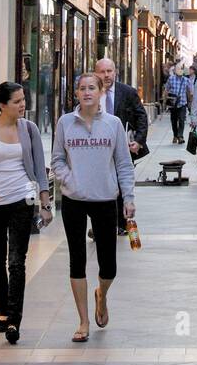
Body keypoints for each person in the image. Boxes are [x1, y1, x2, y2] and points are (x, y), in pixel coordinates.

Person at [50, 72, 135, 342]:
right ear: (76, 93)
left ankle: (102, 294)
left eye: (91, 88)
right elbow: (57, 160)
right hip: (74, 200)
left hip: (105, 199)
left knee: (108, 265)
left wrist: (129, 197)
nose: (86, 92)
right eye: (82, 88)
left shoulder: (113, 124)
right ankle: (83, 321)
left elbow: (123, 163)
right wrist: (69, 180)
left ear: (101, 92)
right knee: (77, 260)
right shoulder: (65, 123)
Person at [0, 81, 53, 345]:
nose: (23, 105)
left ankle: (14, 320)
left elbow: (40, 169)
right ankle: (3, 310)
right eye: (17, 101)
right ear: (2, 105)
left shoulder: (29, 130)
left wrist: (45, 203)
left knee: (17, 261)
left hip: (22, 200)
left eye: (23, 100)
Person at [95, 56, 148, 233]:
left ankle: (119, 223)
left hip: (122, 147)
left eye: (109, 71)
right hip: (97, 148)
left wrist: (139, 141)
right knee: (101, 185)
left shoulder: (128, 92)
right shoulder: (91, 93)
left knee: (120, 183)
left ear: (115, 72)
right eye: (102, 72)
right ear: (96, 74)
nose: (106, 75)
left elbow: (141, 116)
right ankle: (100, 224)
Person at [165, 60, 190, 144]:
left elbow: (189, 92)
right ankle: (175, 135)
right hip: (173, 104)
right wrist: (165, 101)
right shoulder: (171, 79)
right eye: (178, 69)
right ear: (175, 70)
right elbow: (166, 89)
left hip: (182, 103)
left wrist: (190, 102)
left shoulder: (186, 80)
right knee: (174, 121)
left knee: (182, 120)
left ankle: (180, 136)